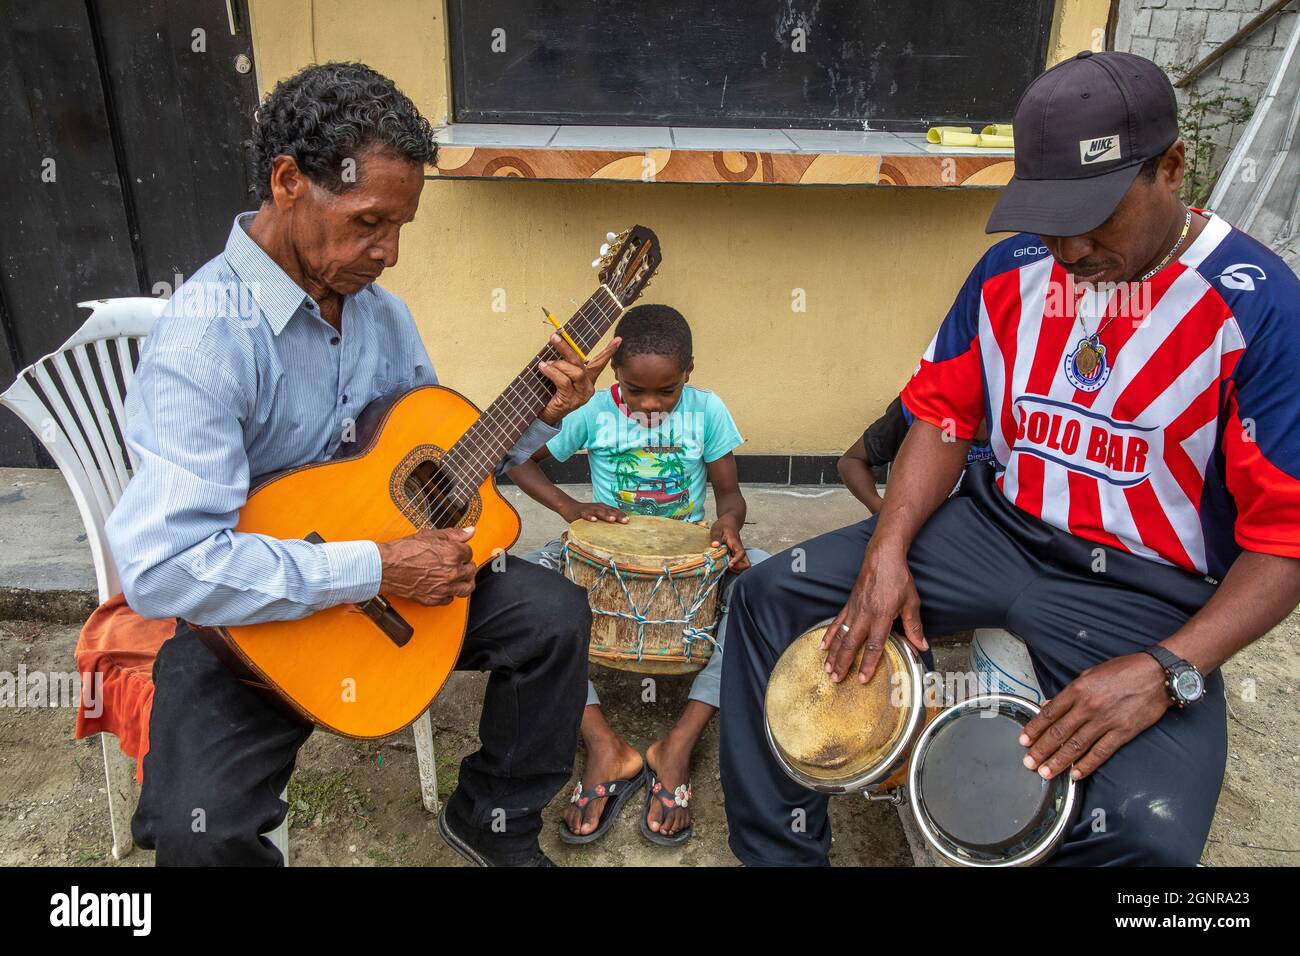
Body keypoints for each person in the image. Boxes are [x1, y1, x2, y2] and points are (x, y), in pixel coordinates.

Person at [719, 51, 1300, 866]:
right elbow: (943, 419)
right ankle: (778, 852)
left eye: (1096, 216)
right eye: (1049, 217)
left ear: (1171, 167)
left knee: (1149, 838)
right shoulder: (1010, 270)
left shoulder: (1260, 309)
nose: (1068, 247)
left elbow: (1286, 542)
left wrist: (1169, 669)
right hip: (991, 533)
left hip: (1145, 589)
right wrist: (888, 546)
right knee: (766, 597)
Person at [105, 63, 614, 867]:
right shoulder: (204, 341)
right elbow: (164, 568)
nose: (391, 251)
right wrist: (374, 569)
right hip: (249, 633)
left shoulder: (382, 313)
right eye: (371, 221)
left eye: (403, 225)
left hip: (388, 592)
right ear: (288, 183)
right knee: (194, 830)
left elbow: (440, 470)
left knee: (551, 617)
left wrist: (536, 420)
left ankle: (494, 818)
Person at [510, 304, 767, 845]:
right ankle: (604, 743)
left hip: (688, 556)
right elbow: (516, 458)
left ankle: (678, 742)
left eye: (666, 392)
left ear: (689, 374)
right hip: (609, 554)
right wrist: (567, 507)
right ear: (615, 378)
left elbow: (730, 494)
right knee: (520, 594)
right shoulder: (595, 411)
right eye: (635, 391)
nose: (650, 404)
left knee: (764, 588)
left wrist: (727, 523)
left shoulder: (707, 411)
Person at [838, 395, 996, 513]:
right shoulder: (916, 408)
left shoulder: (1014, 413)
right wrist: (881, 511)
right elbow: (851, 461)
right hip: (927, 531)